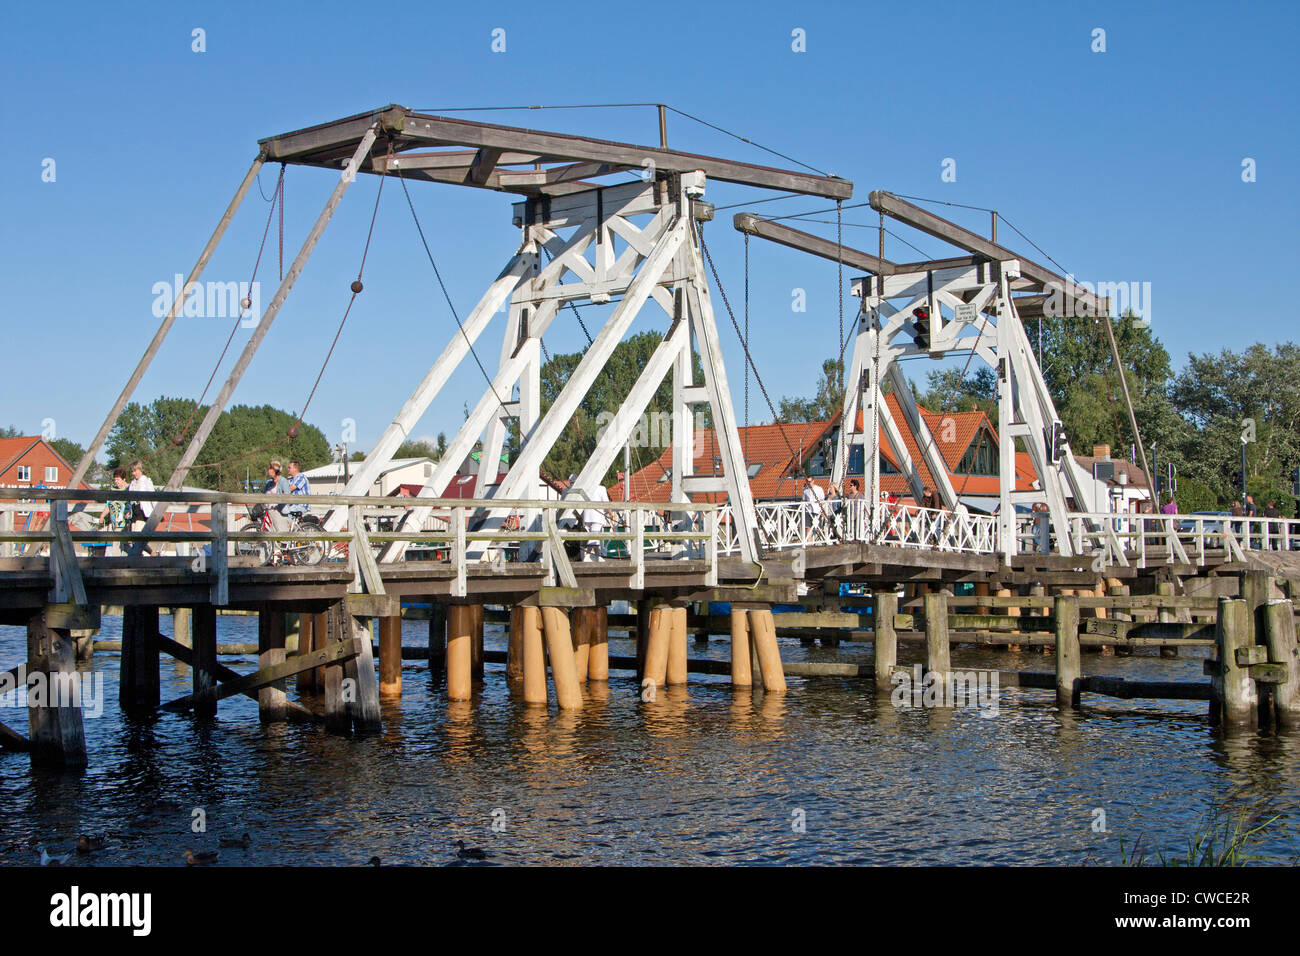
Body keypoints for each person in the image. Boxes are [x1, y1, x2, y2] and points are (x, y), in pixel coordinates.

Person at [128, 460, 156, 555]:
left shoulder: (147, 481)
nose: (133, 473)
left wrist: (156, 513)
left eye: (135, 471)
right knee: (134, 538)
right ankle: (146, 555)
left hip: (142, 511)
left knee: (138, 537)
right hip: (134, 511)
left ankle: (152, 554)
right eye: (132, 471)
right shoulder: (132, 483)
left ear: (140, 470)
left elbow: (153, 497)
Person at [262, 460, 293, 534]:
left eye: (270, 468)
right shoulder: (269, 482)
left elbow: (288, 496)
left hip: (279, 511)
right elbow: (263, 495)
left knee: (281, 534)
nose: (268, 470)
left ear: (275, 470)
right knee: (268, 533)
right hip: (268, 511)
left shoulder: (283, 481)